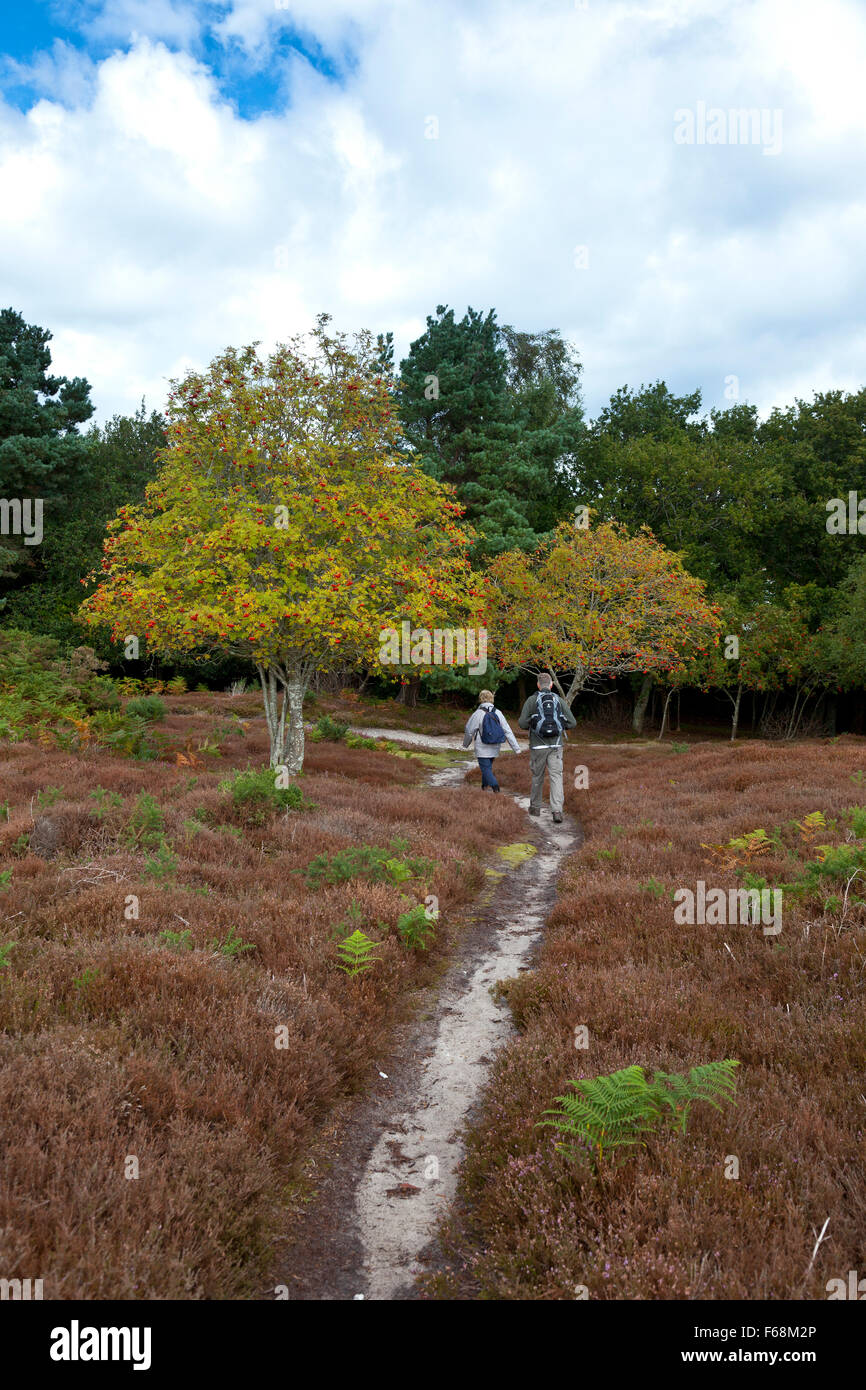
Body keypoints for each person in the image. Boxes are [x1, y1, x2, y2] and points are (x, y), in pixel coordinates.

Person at [518, 672, 576, 822]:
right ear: (551, 684)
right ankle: (557, 811)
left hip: (537, 747)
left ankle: (535, 808)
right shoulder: (558, 700)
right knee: (556, 777)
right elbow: (572, 723)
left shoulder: (531, 700)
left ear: (538, 685)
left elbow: (522, 724)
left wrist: (534, 723)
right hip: (556, 746)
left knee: (537, 777)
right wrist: (560, 725)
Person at [462, 689, 521, 791]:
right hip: (495, 746)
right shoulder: (498, 713)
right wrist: (517, 749)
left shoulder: (478, 713)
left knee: (485, 769)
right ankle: (484, 787)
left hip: (482, 747)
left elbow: (469, 730)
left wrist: (465, 744)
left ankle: (495, 788)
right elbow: (508, 731)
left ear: (480, 699)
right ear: (491, 699)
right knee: (487, 768)